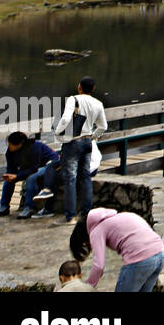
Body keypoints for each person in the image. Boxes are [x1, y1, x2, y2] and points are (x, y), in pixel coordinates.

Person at [52, 77, 108, 222]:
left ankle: (70, 216)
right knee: (85, 177)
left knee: (70, 179)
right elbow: (103, 127)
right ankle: (86, 214)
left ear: (79, 87)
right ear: (93, 89)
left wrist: (58, 132)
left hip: (73, 142)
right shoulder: (98, 103)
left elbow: (65, 119)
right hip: (87, 142)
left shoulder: (73, 99)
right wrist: (93, 137)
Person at [70, 210, 164, 292]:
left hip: (140, 260)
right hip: (160, 254)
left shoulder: (96, 230)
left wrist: (88, 286)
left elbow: (99, 266)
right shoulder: (122, 216)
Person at [30, 140, 99, 219]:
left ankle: (67, 214)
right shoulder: (89, 141)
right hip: (85, 163)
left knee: (64, 178)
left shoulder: (73, 139)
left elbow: (61, 133)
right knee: (51, 168)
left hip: (82, 165)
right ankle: (86, 212)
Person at [0, 132, 57, 217]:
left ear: (20, 144)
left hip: (49, 166)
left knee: (31, 178)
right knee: (8, 181)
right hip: (31, 168)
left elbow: (34, 168)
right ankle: (4, 206)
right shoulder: (10, 152)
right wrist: (9, 175)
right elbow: (11, 167)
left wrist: (17, 176)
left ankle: (29, 207)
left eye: (11, 144)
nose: (9, 146)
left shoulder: (35, 147)